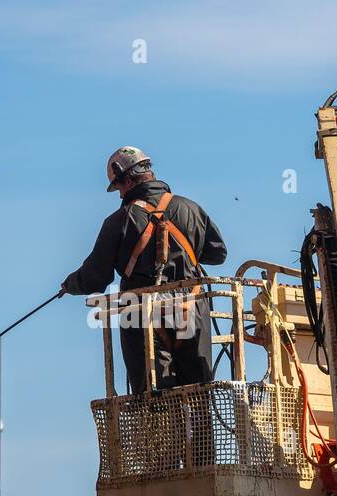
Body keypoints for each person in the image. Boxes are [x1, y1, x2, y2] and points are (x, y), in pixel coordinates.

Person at [61, 147, 227, 394]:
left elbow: (95, 277)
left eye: (118, 188)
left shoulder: (119, 220)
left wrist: (70, 284)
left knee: (152, 398)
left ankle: (161, 431)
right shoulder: (190, 208)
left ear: (126, 179)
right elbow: (217, 254)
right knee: (197, 394)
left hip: (141, 315)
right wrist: (181, 256)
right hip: (191, 309)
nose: (119, 196)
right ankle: (200, 433)